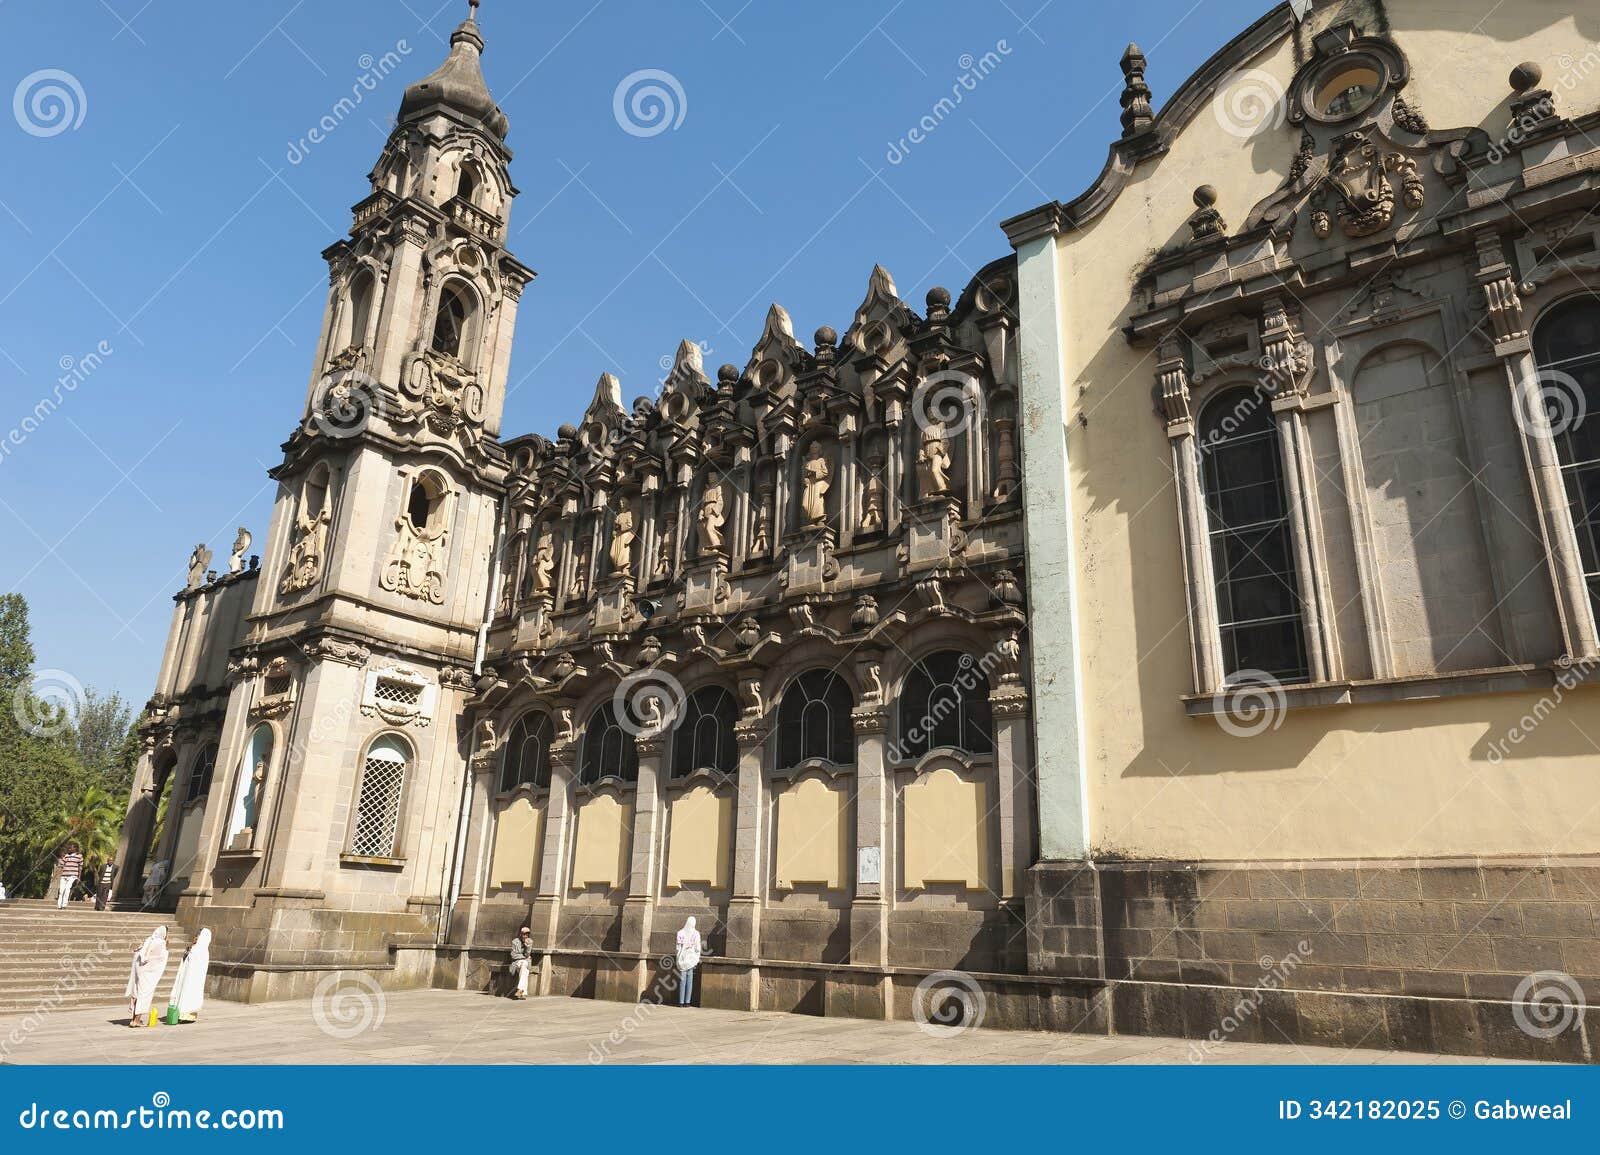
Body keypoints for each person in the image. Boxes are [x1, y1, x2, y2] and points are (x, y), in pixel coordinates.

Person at [125, 925, 169, 1027]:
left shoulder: (149, 940)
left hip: (140, 970)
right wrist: (167, 947)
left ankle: (133, 1019)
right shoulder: (161, 943)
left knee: (137, 994)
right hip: (149, 973)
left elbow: (139, 952)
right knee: (144, 995)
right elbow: (161, 958)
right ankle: (136, 1020)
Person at [166, 928, 211, 1023]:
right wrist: (190, 947)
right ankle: (183, 1014)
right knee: (186, 993)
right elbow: (185, 960)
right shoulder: (196, 948)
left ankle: (187, 1015)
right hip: (187, 977)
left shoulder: (201, 950)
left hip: (193, 979)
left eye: (199, 935)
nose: (196, 937)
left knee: (190, 995)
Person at [674, 916, 704, 1007]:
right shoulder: (696, 933)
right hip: (691, 959)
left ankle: (681, 1002)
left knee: (682, 980)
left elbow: (677, 947)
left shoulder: (680, 933)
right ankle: (687, 1002)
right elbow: (698, 948)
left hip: (682, 959)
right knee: (689, 980)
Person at [508, 926, 534, 999]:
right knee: (524, 964)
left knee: (524, 967)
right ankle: (523, 991)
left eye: (527, 934)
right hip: (516, 962)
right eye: (523, 934)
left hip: (524, 963)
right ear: (520, 934)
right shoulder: (515, 941)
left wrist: (528, 947)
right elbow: (513, 955)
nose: (525, 935)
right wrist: (524, 957)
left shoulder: (530, 941)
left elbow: (527, 954)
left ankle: (520, 990)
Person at [55, 843, 83, 909]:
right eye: (69, 847)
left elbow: (80, 867)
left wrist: (79, 877)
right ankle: (59, 905)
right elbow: (62, 864)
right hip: (64, 875)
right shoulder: (67, 855)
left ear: (75, 848)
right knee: (61, 891)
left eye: (71, 847)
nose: (70, 849)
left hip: (72, 876)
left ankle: (64, 905)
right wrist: (59, 859)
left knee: (67, 889)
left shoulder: (79, 856)